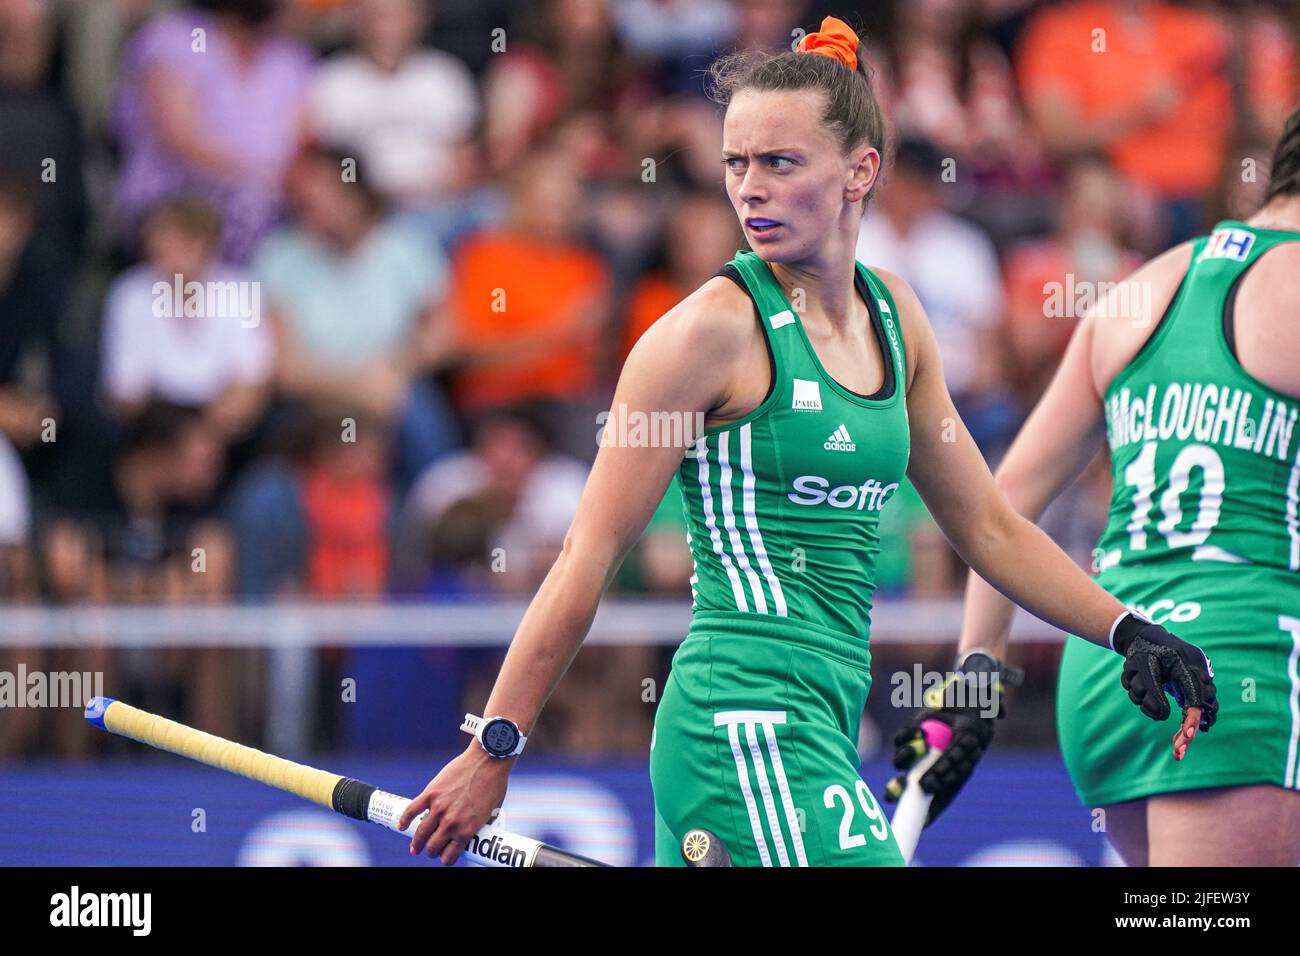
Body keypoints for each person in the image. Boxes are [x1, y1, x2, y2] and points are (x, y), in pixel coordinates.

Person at [398, 16, 1216, 868]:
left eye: (780, 163)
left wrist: (1127, 628)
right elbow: (586, 558)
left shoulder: (896, 316)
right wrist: (495, 746)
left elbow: (990, 528)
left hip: (824, 715)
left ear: (861, 171)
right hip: (740, 721)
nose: (749, 188)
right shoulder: (705, 335)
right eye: (734, 163)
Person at [957, 108, 1300, 867]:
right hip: (1238, 662)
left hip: (1110, 665)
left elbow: (1002, 499)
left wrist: (977, 670)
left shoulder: (1138, 289)